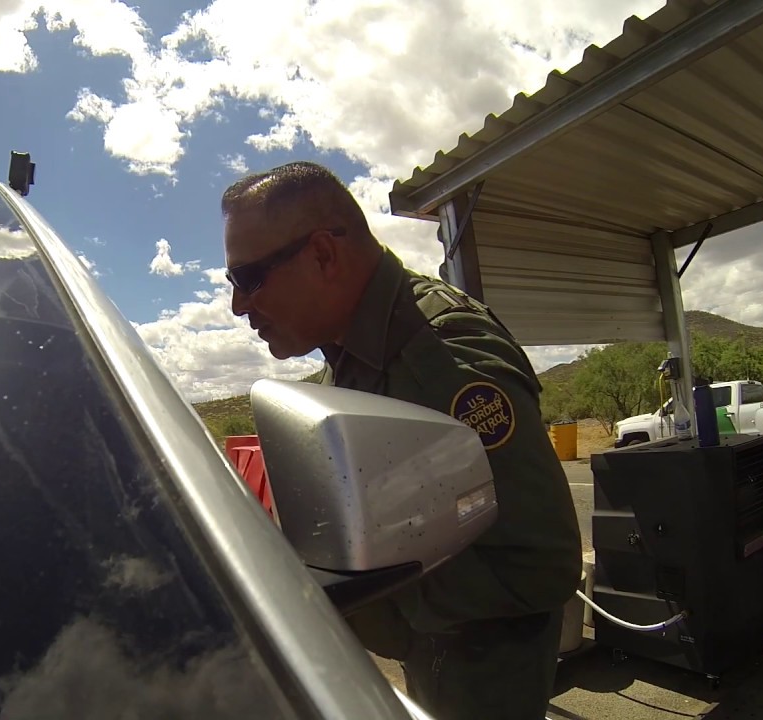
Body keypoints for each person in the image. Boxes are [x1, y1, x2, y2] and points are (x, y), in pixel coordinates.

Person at [220, 161, 582, 719]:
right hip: (432, 660)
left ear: (322, 254)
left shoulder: (442, 357)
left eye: (249, 279)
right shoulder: (348, 361)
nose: (240, 305)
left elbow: (540, 561)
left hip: (485, 679)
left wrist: (343, 594)